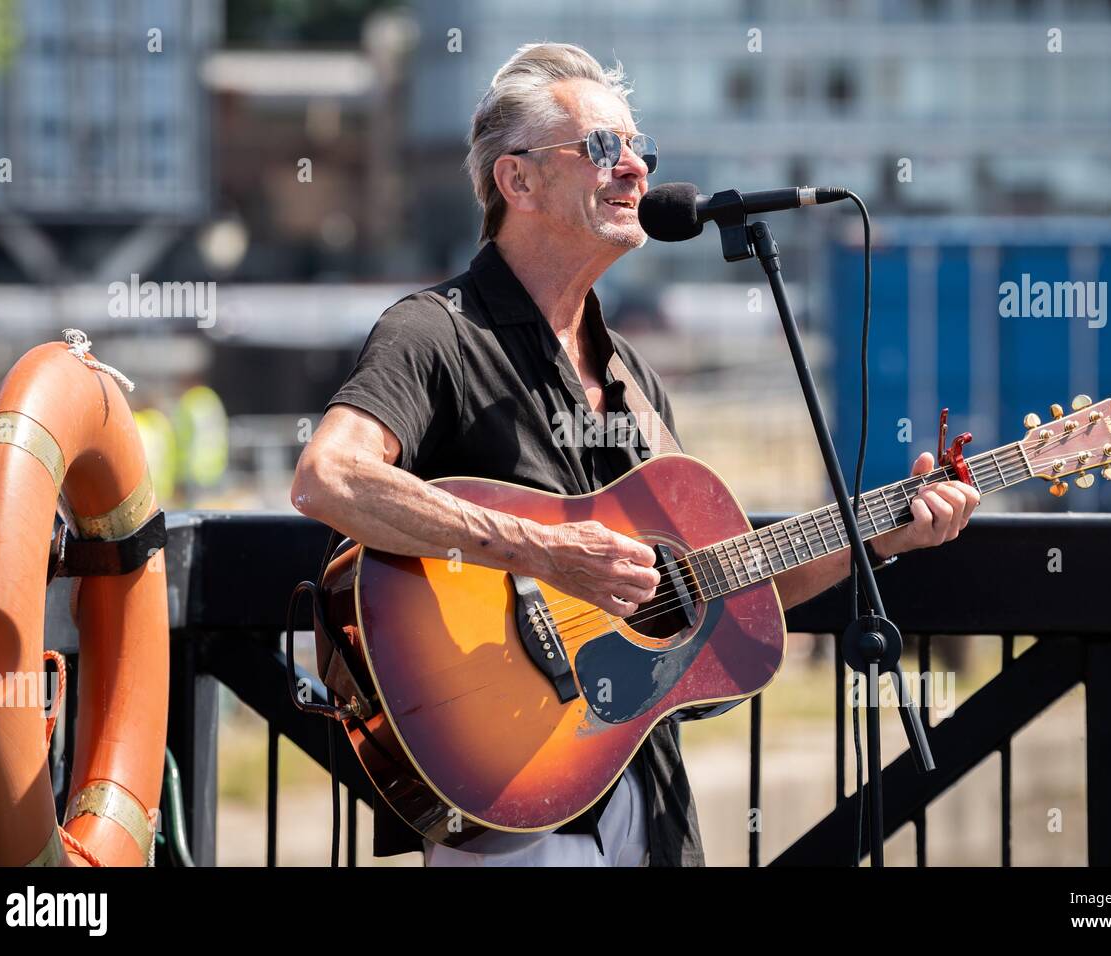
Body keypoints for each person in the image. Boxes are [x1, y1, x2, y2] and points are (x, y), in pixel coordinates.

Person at [291, 42, 979, 867]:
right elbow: (328, 479)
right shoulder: (435, 332)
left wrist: (877, 540)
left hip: (644, 804)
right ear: (518, 181)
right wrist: (549, 551)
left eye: (640, 153)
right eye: (603, 150)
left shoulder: (636, 379)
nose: (635, 174)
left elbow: (716, 588)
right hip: (509, 812)